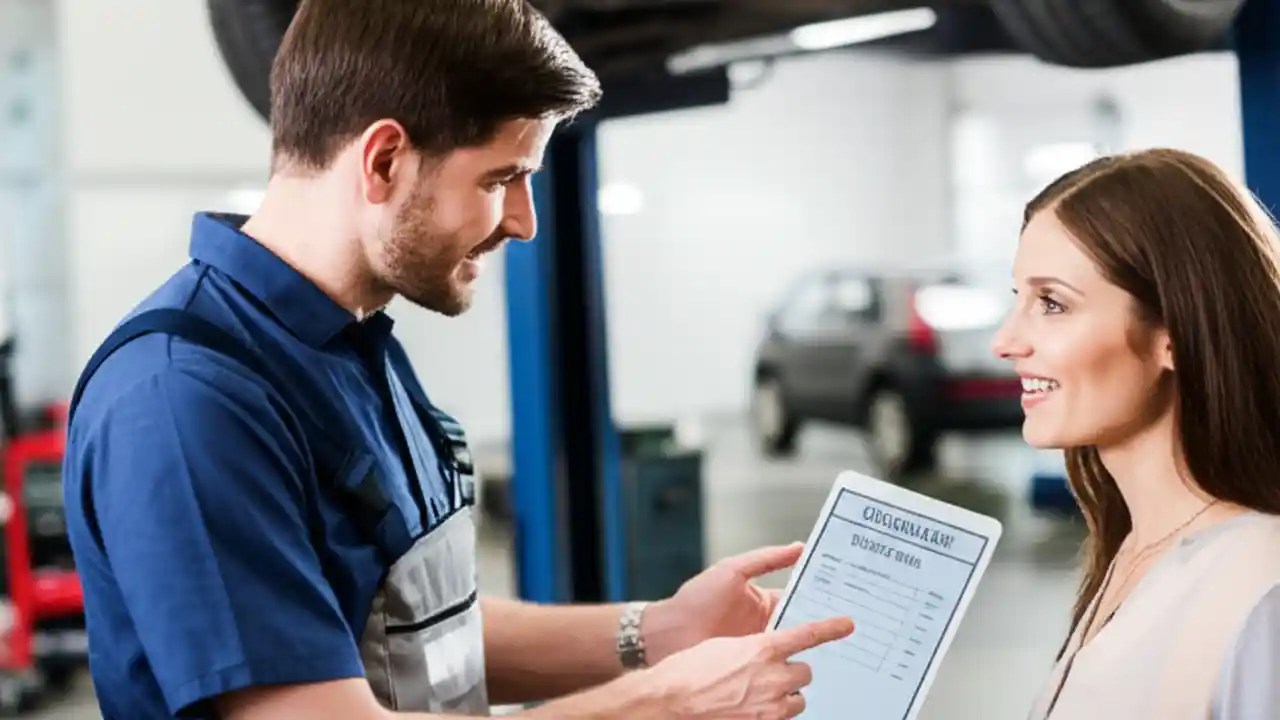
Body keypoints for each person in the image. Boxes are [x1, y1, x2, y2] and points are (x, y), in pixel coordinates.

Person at [61, 1, 854, 718]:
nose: (524, 222)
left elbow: (415, 627)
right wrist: (665, 704)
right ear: (383, 162)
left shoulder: (351, 343)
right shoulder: (183, 399)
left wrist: (653, 633)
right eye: (502, 177)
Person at [991, 148, 1280, 720]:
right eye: (1017, 299)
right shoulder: (1134, 552)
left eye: (1052, 303)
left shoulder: (1263, 590)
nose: (1006, 340)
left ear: (1171, 334)